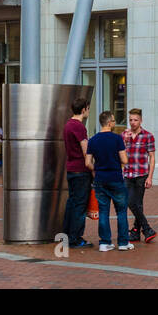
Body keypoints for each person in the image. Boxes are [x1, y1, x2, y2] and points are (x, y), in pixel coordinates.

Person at [86, 111, 131, 251]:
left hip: (100, 179)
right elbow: (124, 160)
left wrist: (96, 169)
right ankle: (123, 243)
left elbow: (87, 162)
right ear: (110, 122)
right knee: (121, 211)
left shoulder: (93, 140)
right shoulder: (117, 139)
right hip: (116, 178)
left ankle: (105, 243)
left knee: (104, 211)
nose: (115, 122)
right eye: (114, 120)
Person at [61, 96, 93, 248]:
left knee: (72, 202)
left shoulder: (68, 125)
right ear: (83, 109)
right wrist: (93, 169)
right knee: (80, 205)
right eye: (88, 108)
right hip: (81, 170)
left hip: (71, 168)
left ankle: (66, 235)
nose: (88, 110)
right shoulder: (79, 127)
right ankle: (75, 238)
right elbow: (85, 150)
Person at [122, 108, 157, 243]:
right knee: (132, 202)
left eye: (135, 120)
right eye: (130, 120)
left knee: (136, 203)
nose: (133, 122)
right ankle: (146, 229)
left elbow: (152, 157)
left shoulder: (148, 136)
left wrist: (150, 177)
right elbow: (121, 154)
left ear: (141, 120)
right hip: (127, 174)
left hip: (141, 174)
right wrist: (125, 141)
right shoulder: (124, 135)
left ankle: (138, 231)